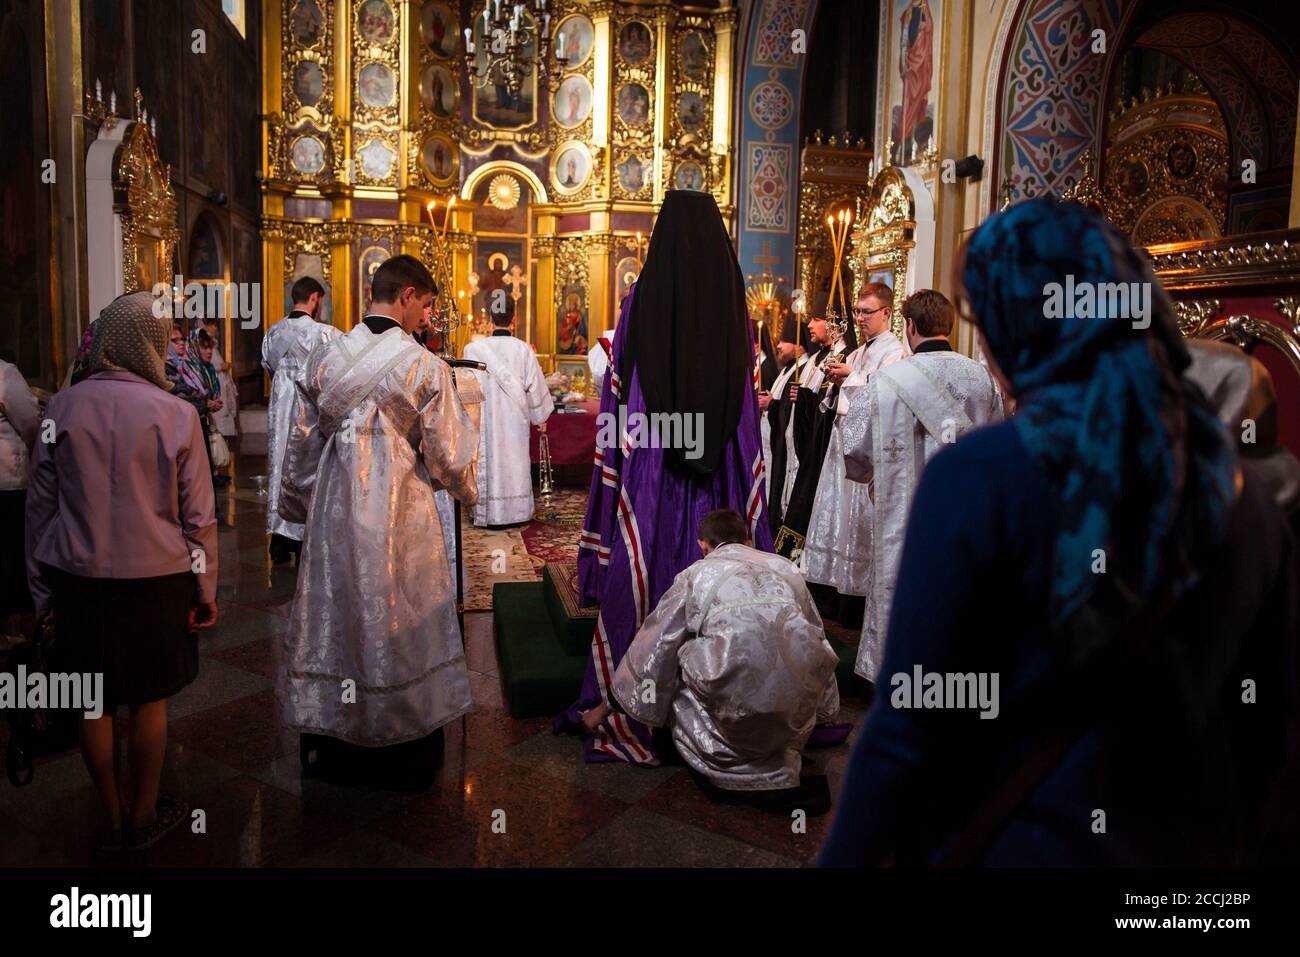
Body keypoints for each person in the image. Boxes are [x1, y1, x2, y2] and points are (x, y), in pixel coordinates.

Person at [819, 198, 1297, 867]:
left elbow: (910, 729)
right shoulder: (1243, 492)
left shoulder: (983, 478)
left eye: (988, 323)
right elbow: (1274, 727)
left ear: (1019, 330)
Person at [562, 191, 772, 766]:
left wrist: (625, 450)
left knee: (651, 564)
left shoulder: (642, 299)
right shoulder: (736, 305)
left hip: (657, 456)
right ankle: (726, 701)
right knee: (723, 563)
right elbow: (748, 400)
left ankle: (638, 700)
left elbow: (619, 382)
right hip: (721, 455)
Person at [26, 291, 219, 851]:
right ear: (152, 346)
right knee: (148, 699)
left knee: (92, 699)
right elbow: (199, 519)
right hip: (157, 580)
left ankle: (109, 814)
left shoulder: (60, 408)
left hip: (77, 578)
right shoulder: (178, 413)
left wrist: (42, 593)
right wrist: (204, 589)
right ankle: (142, 815)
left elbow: (41, 511)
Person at [275, 255, 479, 775]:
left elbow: (300, 447)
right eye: (427, 305)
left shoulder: (326, 354)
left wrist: (298, 509)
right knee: (399, 610)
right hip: (400, 512)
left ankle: (336, 734)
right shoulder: (421, 364)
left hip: (334, 513)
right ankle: (403, 738)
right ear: (407, 295)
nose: (426, 318)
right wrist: (466, 488)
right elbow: (449, 455)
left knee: (339, 608)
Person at [590, 508, 840, 813]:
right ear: (747, 539)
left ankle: (726, 759)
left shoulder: (696, 575)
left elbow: (655, 645)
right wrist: (826, 708)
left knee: (677, 653)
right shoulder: (786, 567)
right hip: (790, 715)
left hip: (734, 713)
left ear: (703, 545)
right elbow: (816, 637)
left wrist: (605, 710)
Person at [840, 289, 1003, 679]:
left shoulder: (886, 381)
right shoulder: (981, 378)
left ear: (908, 326)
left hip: (904, 515)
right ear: (948, 325)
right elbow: (1000, 439)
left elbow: (854, 448)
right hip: (967, 512)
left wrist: (872, 475)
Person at [800, 283, 907, 624]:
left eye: (867, 312)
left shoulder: (895, 353)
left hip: (867, 453)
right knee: (838, 520)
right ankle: (831, 590)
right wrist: (835, 385)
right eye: (858, 312)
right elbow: (842, 397)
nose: (860, 318)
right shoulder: (859, 352)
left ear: (887, 313)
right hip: (842, 443)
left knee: (858, 523)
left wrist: (851, 378)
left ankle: (855, 603)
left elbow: (887, 394)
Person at [261, 276, 339, 566]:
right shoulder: (326, 334)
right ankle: (307, 538)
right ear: (316, 298)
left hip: (280, 411)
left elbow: (268, 365)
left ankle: (279, 542)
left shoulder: (272, 333)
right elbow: (334, 374)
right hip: (310, 413)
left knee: (280, 467)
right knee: (308, 469)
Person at [772, 307, 860, 560]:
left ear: (834, 324)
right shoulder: (816, 359)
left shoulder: (846, 357)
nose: (809, 325)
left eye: (816, 319)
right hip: (799, 451)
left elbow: (830, 409)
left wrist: (807, 399)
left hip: (821, 454)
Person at [463, 297, 553, 526]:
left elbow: (464, 395)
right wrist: (538, 415)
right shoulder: (523, 350)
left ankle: (487, 512)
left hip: (484, 422)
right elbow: (537, 393)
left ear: (490, 318)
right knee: (514, 460)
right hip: (515, 424)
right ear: (514, 318)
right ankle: (517, 512)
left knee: (488, 458)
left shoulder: (472, 350)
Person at [0, 355, 40, 641]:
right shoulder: (4, 374)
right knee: (13, 558)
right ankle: (19, 634)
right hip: (8, 485)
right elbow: (30, 423)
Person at [764, 315, 812, 515]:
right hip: (774, 442)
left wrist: (771, 404)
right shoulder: (787, 370)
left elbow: (792, 408)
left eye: (785, 341)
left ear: (799, 346)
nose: (779, 345)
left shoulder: (802, 370)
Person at [202, 316, 239, 439]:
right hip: (213, 383)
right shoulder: (199, 344)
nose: (215, 328)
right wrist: (220, 367)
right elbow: (204, 367)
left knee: (224, 409)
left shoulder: (213, 345)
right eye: (212, 325)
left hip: (220, 381)